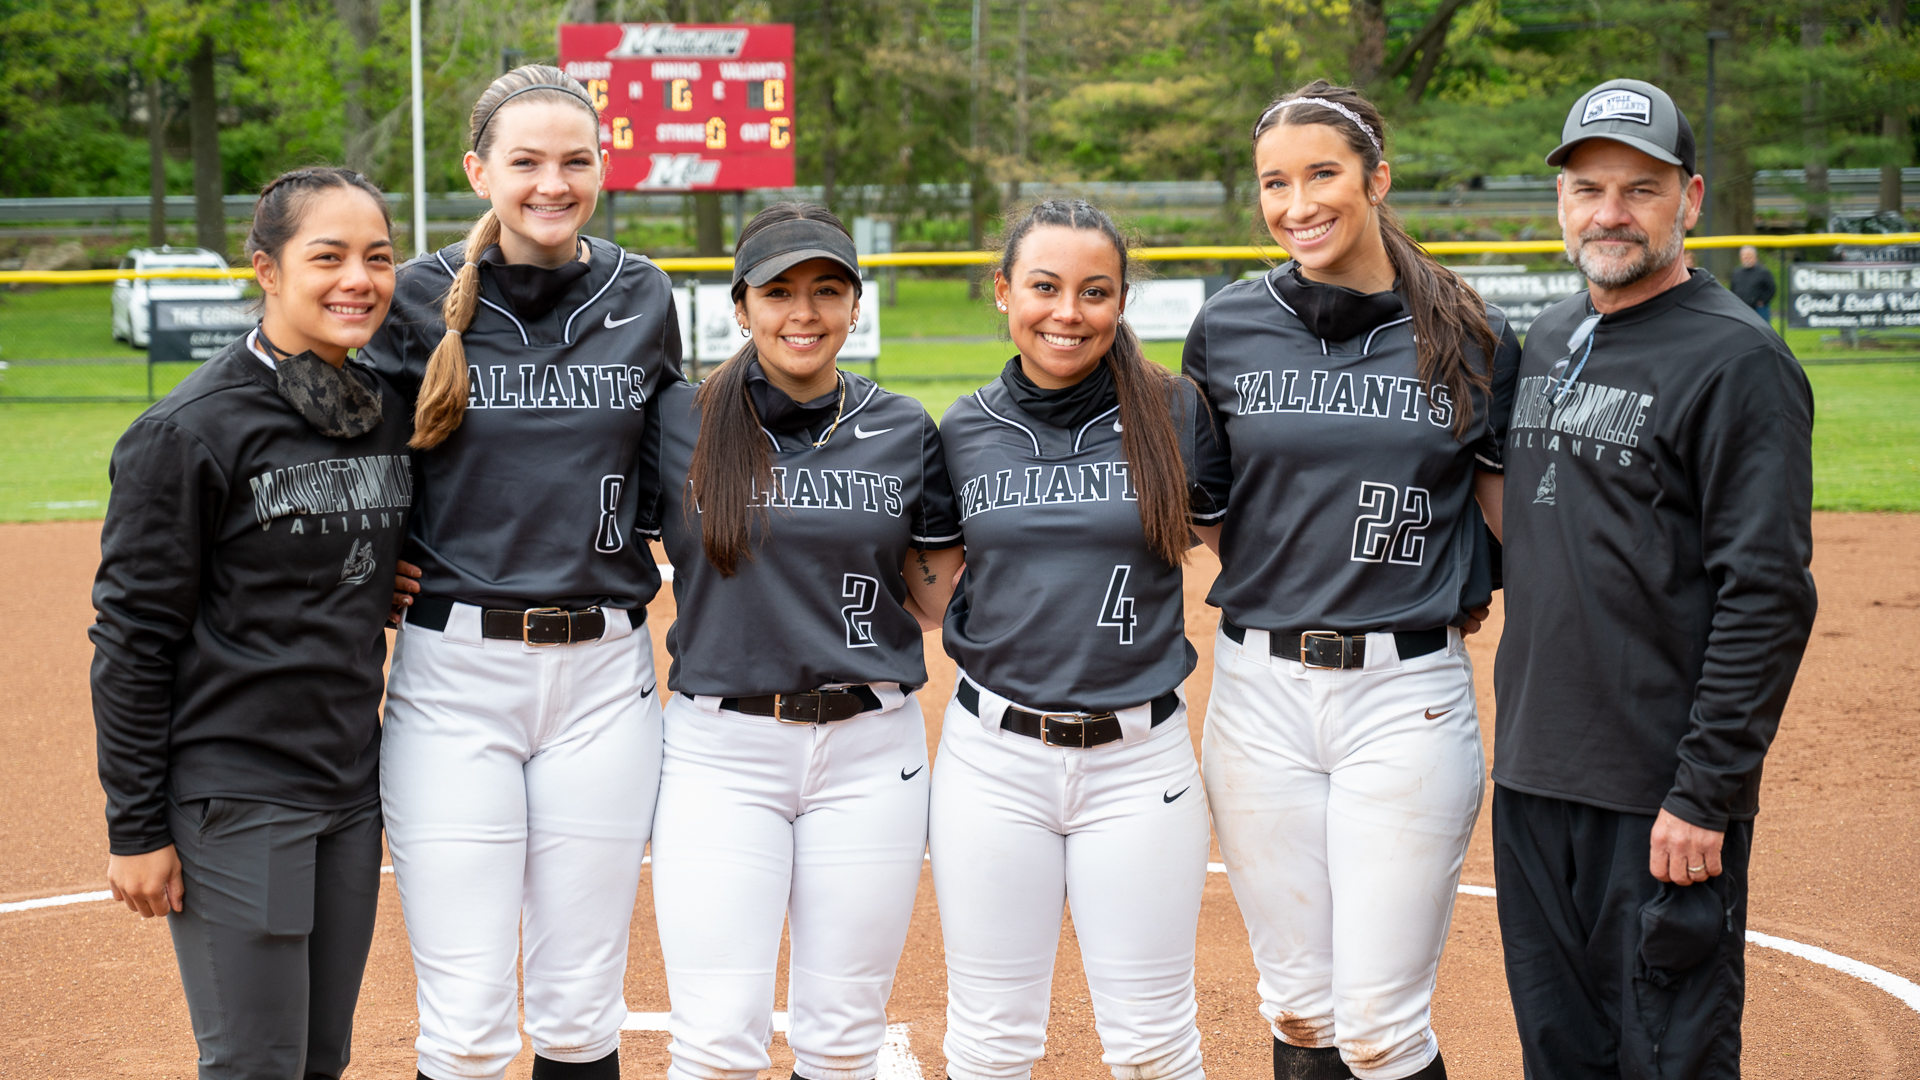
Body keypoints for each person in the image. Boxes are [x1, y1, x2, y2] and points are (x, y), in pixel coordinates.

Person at [1182, 80, 1521, 1080]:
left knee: (1378, 1026)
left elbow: (1511, 521)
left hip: (1405, 694)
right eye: (1273, 183)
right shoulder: (1229, 325)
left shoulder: (1466, 330)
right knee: (1298, 1010)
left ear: (1377, 178)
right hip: (1258, 694)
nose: (1297, 205)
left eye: (1322, 174)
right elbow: (1206, 505)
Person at [359, 65, 683, 1080]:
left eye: (575, 160)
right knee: (463, 1019)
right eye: (526, 161)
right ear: (477, 170)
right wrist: (373, 567)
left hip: (603, 680)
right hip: (457, 677)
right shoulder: (414, 296)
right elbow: (354, 457)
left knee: (584, 1005)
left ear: (602, 167)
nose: (553, 182)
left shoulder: (642, 291)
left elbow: (667, 465)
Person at [1493, 78, 1817, 1080]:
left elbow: (1766, 594)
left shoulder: (1737, 361)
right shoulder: (1551, 337)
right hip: (1533, 778)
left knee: (1668, 1056)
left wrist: (1706, 793)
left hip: (1658, 795)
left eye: (1641, 188)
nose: (1609, 212)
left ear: (1691, 200)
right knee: (1560, 1050)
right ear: (1560, 202)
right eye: (1588, 187)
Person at [91, 167, 408, 1080]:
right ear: (266, 269)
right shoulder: (188, 431)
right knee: (254, 1064)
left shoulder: (379, 409)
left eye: (377, 258)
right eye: (329, 257)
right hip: (240, 788)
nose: (359, 278)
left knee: (319, 1057)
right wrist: (136, 829)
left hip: (349, 785)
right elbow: (131, 641)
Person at [647, 203, 963, 1080]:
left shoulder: (903, 427)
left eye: (828, 290)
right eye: (778, 292)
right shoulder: (680, 420)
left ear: (855, 306)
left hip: (872, 750)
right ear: (740, 308)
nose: (804, 312)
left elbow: (937, 593)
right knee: (714, 1040)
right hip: (721, 751)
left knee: (842, 1039)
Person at [929, 199, 1225, 1080]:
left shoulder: (1173, 412)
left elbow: (1252, 554)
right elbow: (933, 583)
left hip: (1140, 762)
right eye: (1045, 287)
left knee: (1154, 1043)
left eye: (1095, 292)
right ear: (1002, 292)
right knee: (989, 1040)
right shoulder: (962, 429)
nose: (1068, 312)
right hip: (993, 760)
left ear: (1122, 300)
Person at [1730, 243, 1776, 322]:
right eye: (1744, 255)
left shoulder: (1763, 272)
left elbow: (1771, 288)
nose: (1746, 258)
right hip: (1741, 308)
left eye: (1749, 255)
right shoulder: (1736, 272)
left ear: (1755, 257)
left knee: (1761, 331)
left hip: (1758, 310)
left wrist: (1763, 301)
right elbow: (1733, 288)